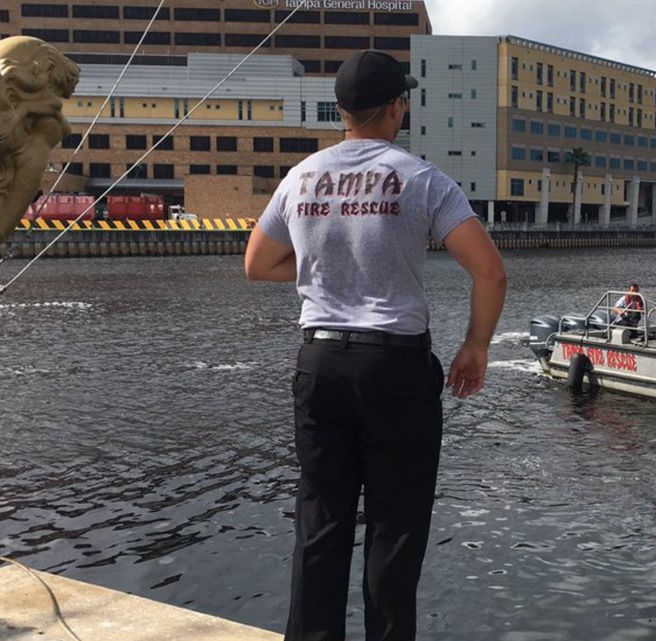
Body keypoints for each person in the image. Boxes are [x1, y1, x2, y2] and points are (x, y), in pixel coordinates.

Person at [244, 49, 507, 641]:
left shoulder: (301, 176)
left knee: (320, 519)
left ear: (340, 111)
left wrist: (322, 267)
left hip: (320, 362)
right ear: (398, 107)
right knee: (395, 525)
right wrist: (476, 346)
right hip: (394, 368)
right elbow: (490, 273)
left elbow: (257, 265)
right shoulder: (420, 178)